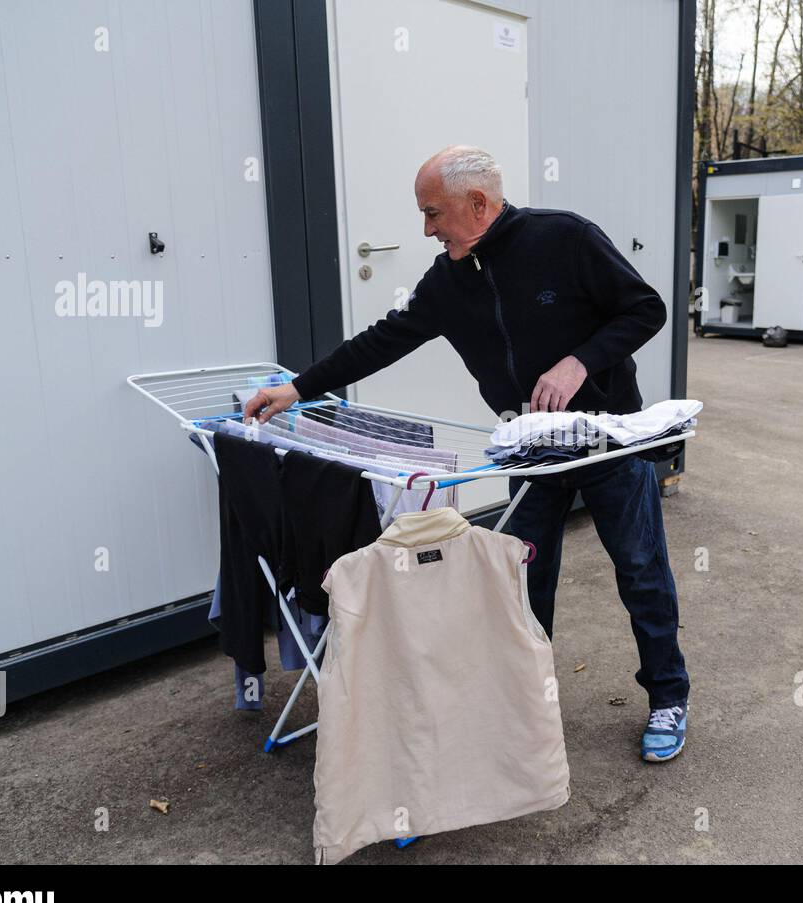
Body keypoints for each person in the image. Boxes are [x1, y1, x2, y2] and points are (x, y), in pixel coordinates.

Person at [245, 145, 689, 762]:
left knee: (641, 571)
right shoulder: (448, 279)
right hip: (526, 451)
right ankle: (526, 700)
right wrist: (296, 388)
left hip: (606, 438)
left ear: (478, 204)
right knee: (522, 583)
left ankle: (668, 695)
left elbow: (646, 308)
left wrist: (579, 360)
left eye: (434, 213)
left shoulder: (566, 239)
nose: (426, 228)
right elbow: (381, 342)